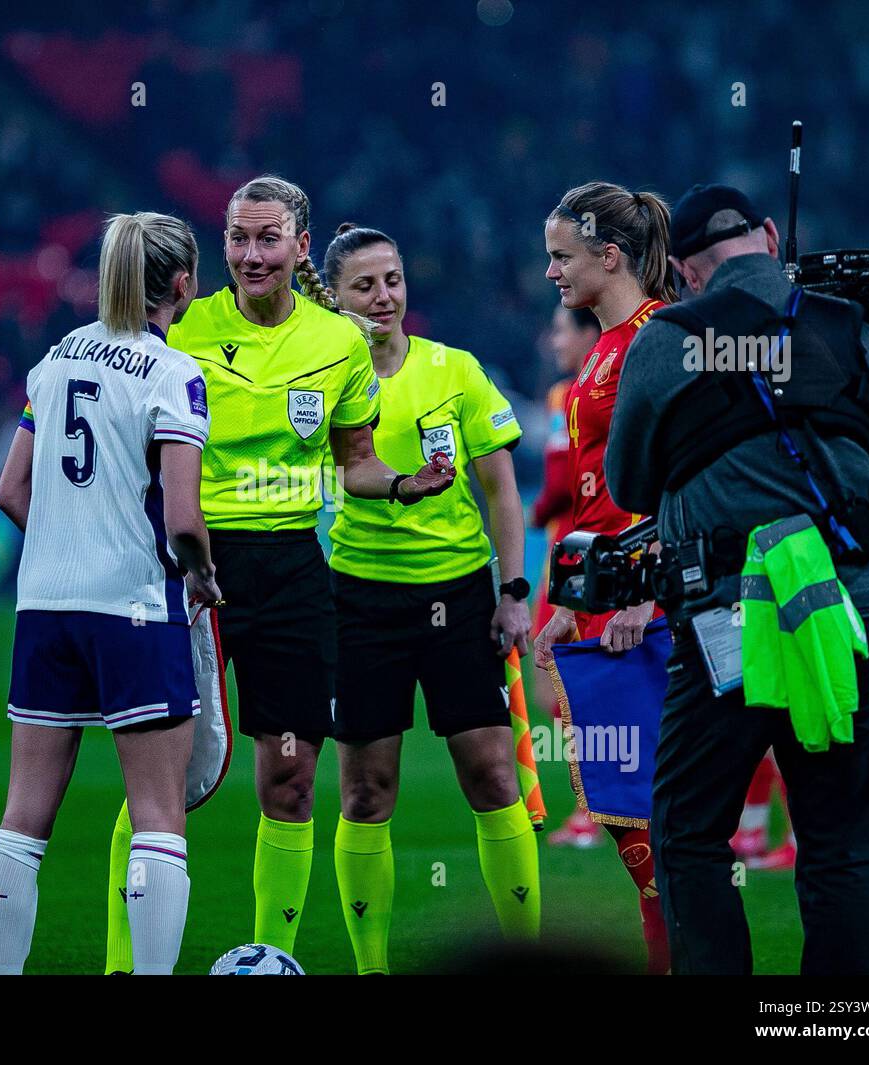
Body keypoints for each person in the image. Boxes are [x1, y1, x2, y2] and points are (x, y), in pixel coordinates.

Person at [102, 177, 455, 973]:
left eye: (268, 240)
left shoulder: (338, 341)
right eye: (237, 238)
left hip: (293, 566)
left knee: (292, 774)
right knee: (161, 775)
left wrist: (403, 483)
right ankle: (123, 964)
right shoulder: (182, 327)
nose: (250, 255)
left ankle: (272, 961)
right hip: (185, 561)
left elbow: (355, 461)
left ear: (302, 246)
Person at [606, 183, 869, 974]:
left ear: (686, 273)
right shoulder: (857, 330)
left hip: (729, 616)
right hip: (852, 609)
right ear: (766, 235)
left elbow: (628, 486)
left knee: (688, 831)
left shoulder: (667, 339)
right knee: (838, 840)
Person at [0, 212, 218, 976]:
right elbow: (183, 519)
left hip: (44, 607)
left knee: (22, 819)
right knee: (158, 816)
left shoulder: (53, 360)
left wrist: (64, 539)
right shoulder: (174, 373)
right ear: (182, 284)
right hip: (137, 607)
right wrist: (203, 576)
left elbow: (11, 489)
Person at [321, 223, 538, 974]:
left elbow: (502, 490)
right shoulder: (323, 381)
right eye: (365, 285)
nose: (384, 297)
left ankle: (523, 957)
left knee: (491, 773)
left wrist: (512, 592)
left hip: (457, 595)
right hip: (361, 598)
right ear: (333, 298)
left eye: (393, 279)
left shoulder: (456, 370)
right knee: (365, 791)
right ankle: (371, 967)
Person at [532, 181, 676, 974]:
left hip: (645, 606)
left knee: (649, 811)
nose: (551, 271)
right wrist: (566, 604)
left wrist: (648, 588)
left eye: (562, 256)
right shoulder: (602, 347)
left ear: (609, 255)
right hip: (604, 604)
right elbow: (594, 491)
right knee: (629, 816)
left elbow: (680, 478)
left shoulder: (656, 338)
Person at [531, 305, 602, 847]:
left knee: (565, 685)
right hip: (608, 548)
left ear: (586, 334)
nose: (553, 339)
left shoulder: (566, 396)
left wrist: (530, 513)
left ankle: (593, 807)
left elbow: (558, 484)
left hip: (573, 556)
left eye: (561, 328)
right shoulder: (617, 388)